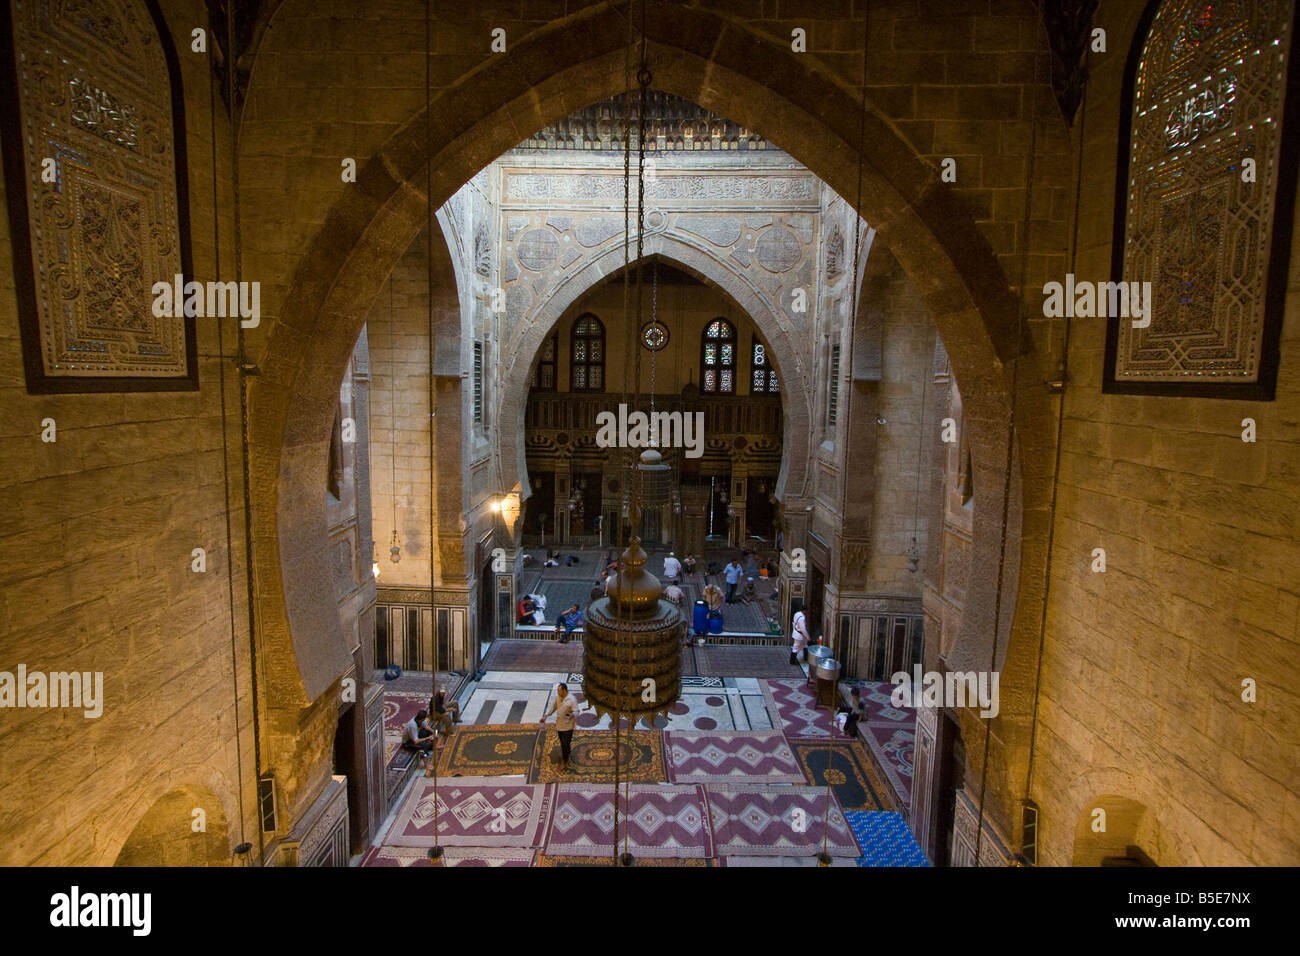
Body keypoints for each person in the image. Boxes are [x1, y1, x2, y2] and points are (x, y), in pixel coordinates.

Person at [539, 682, 579, 769]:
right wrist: (546, 716)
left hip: (568, 726)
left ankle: (564, 761)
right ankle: (567, 753)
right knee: (563, 742)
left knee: (565, 743)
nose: (558, 693)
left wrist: (571, 715)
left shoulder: (572, 700)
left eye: (559, 691)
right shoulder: (558, 698)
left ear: (564, 690)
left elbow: (576, 712)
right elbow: (553, 707)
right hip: (559, 725)